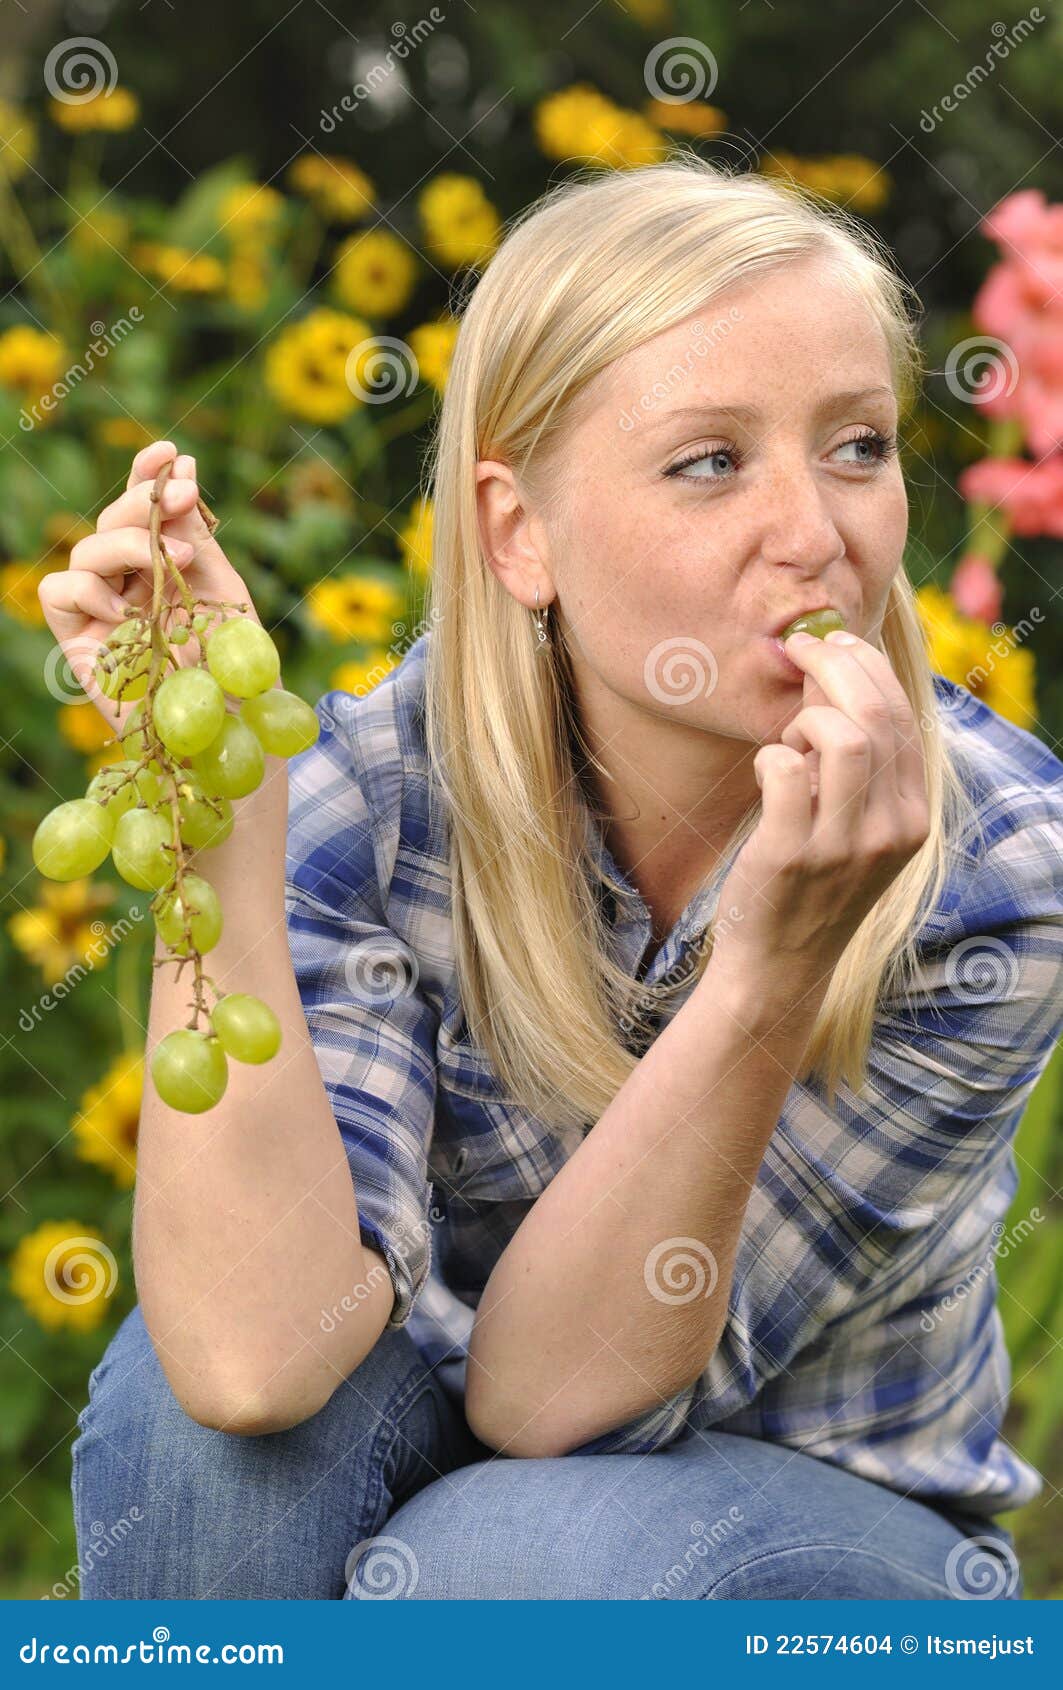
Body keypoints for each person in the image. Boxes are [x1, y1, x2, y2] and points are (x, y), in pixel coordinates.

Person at [46, 155, 1062, 1601]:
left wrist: (768, 982)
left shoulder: (993, 864)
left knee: (513, 1555)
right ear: (519, 531)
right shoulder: (389, 792)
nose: (819, 535)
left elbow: (549, 1401)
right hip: (457, 1438)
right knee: (190, 1437)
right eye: (711, 460)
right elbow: (252, 1358)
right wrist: (216, 832)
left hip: (834, 1533)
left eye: (856, 446)